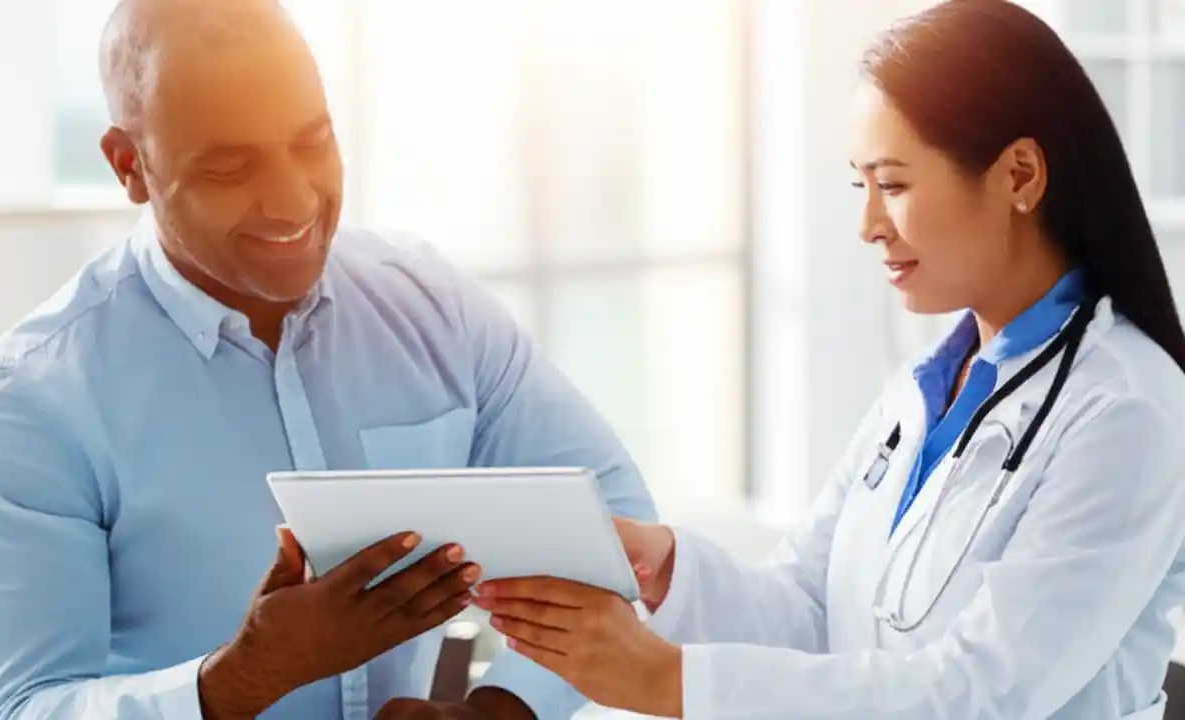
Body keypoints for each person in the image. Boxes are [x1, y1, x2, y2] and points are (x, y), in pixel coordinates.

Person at [0, 0, 656, 718]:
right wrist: (245, 677)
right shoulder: (28, 398)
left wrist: (499, 709)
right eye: (229, 168)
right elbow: (23, 708)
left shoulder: (434, 310)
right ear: (130, 166)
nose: (291, 202)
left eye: (311, 143)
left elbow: (622, 540)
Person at [476, 2, 1185, 718]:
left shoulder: (1129, 410)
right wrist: (665, 567)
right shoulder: (924, 394)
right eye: (861, 186)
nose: (869, 225)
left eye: (895, 184)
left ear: (1020, 175)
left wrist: (670, 682)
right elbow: (811, 611)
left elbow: (988, 690)